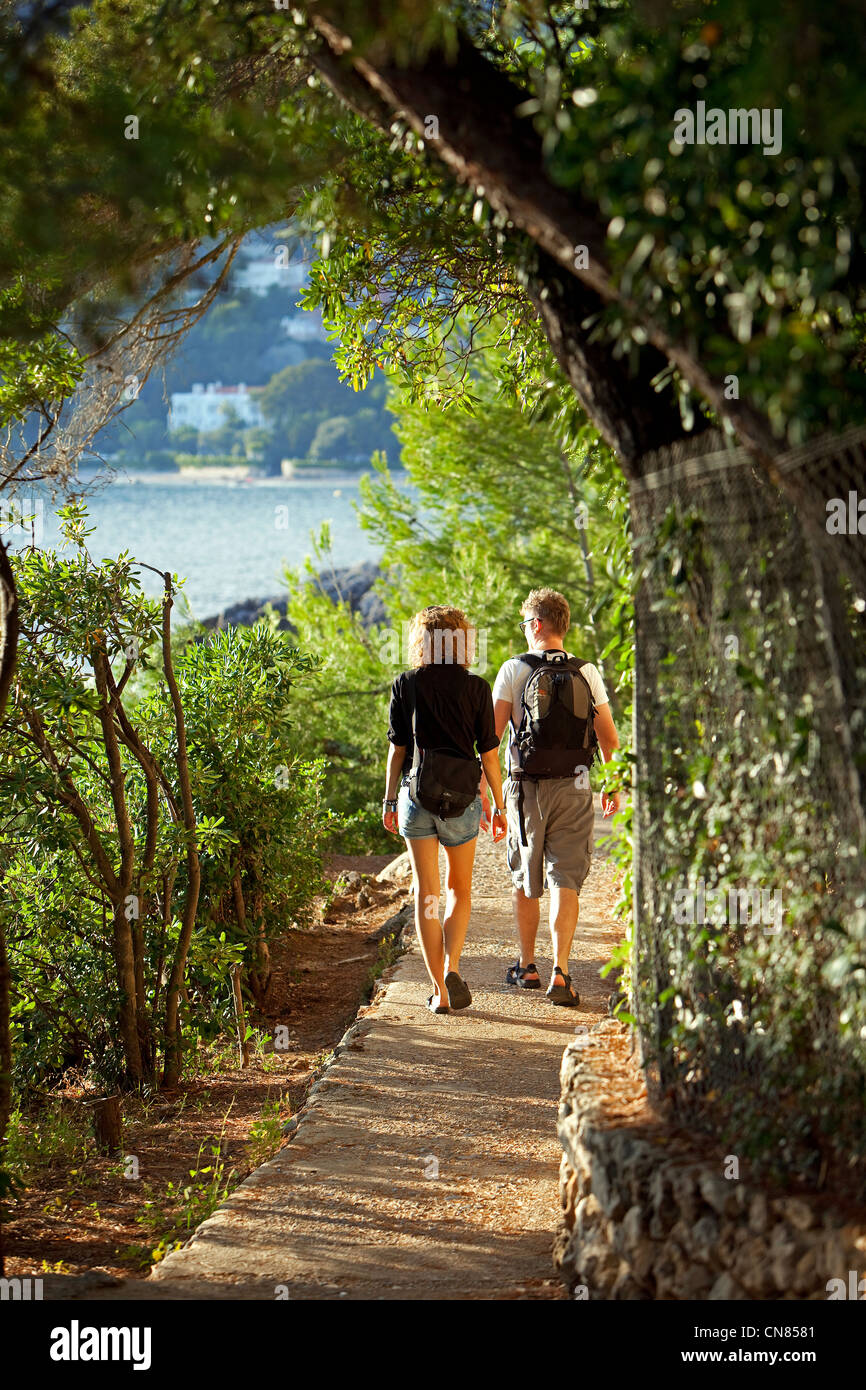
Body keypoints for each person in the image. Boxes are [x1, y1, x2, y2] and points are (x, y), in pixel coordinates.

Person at [485, 588, 620, 1006]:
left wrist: (490, 796)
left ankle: (527, 967)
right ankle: (560, 972)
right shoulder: (588, 671)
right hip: (576, 786)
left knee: (526, 877)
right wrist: (614, 784)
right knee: (566, 877)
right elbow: (610, 739)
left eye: (526, 624)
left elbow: (490, 739)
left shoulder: (513, 669)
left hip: (525, 788)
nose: (525, 632)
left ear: (537, 625)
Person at [383, 605, 507, 1015]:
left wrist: (387, 802)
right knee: (460, 891)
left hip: (417, 799)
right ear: (462, 640)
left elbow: (398, 750)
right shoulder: (476, 687)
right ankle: (453, 966)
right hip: (463, 801)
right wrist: (499, 805)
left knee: (426, 895)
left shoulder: (406, 684)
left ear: (422, 640)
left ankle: (438, 990)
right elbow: (490, 756)